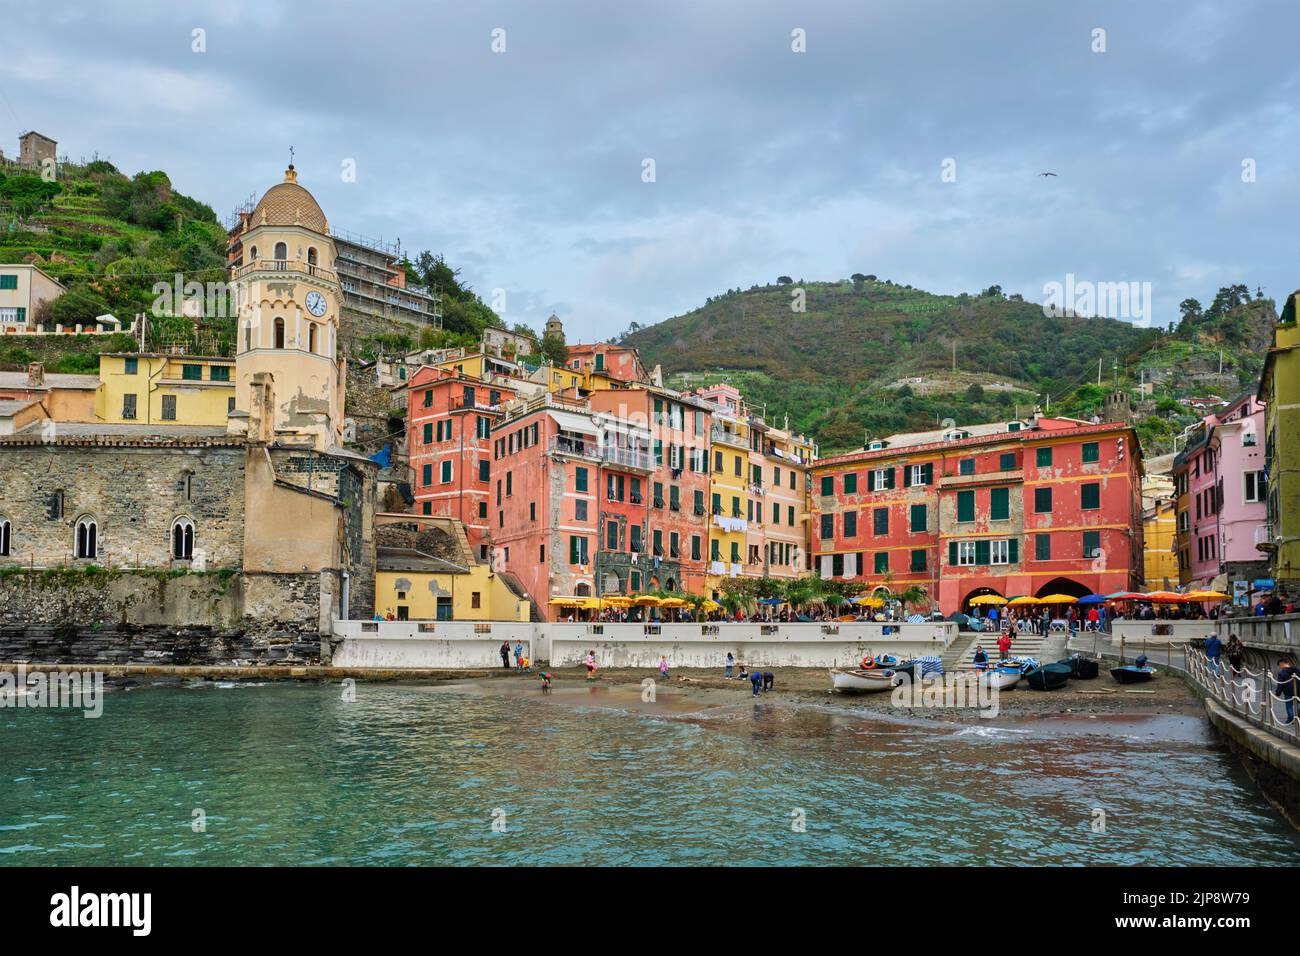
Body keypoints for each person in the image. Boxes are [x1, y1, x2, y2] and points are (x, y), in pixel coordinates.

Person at [1276, 658, 1297, 725]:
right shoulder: (1297, 670)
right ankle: (1298, 717)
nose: (1280, 667)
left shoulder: (1282, 672)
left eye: (1280, 665)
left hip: (1288, 692)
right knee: (1298, 704)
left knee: (1289, 705)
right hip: (1298, 691)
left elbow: (1280, 684)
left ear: (1281, 664)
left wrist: (1277, 693)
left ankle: (1290, 719)